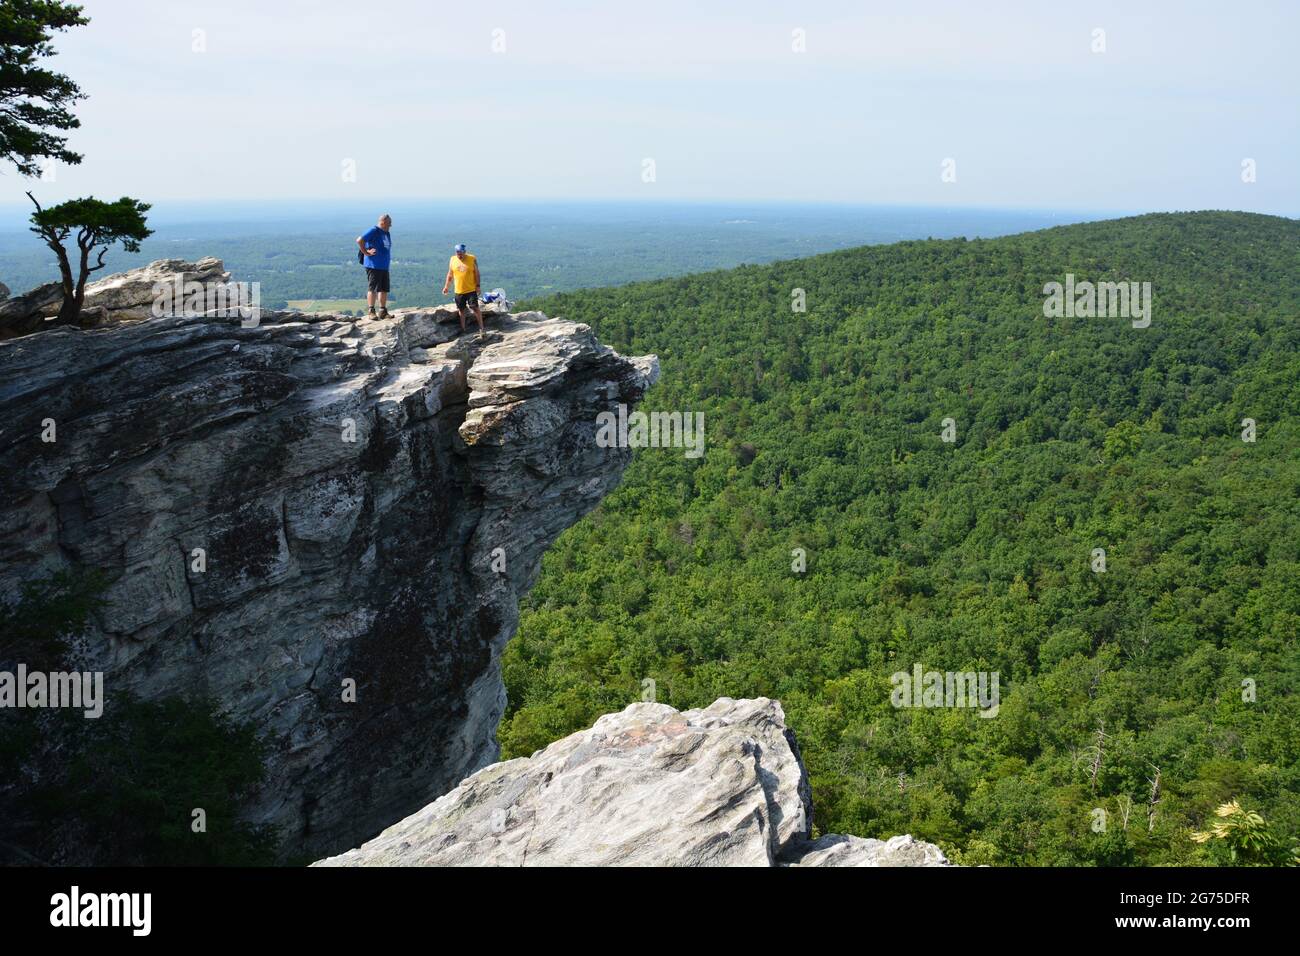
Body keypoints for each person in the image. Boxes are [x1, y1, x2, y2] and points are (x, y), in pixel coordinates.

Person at [442, 243, 484, 337]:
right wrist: (446, 287)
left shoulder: (472, 258)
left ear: (465, 252)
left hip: (471, 289)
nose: (459, 255)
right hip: (459, 290)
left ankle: (481, 328)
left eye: (461, 253)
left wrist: (478, 286)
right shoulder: (452, 259)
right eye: (458, 253)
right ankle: (463, 329)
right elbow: (450, 274)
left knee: (475, 308)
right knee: (461, 310)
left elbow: (477, 273)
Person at [356, 214, 392, 319]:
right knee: (373, 288)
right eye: (389, 223)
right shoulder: (374, 231)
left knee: (384, 289)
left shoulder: (386, 233)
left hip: (384, 265)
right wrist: (366, 252)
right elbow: (359, 240)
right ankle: (371, 310)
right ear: (383, 222)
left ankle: (383, 311)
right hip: (373, 265)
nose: (391, 225)